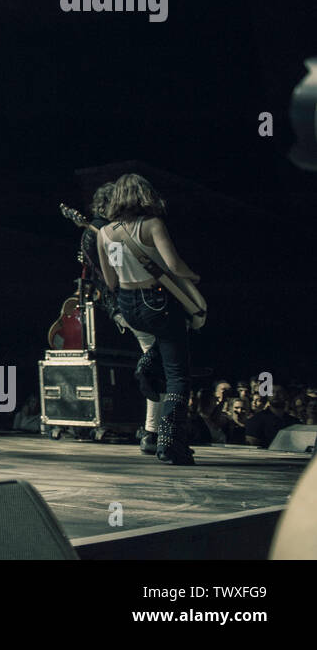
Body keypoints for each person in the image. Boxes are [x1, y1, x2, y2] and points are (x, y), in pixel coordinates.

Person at [97, 173, 201, 465]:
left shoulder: (104, 233)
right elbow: (174, 266)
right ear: (144, 195)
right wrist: (195, 277)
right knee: (178, 374)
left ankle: (148, 362)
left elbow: (110, 280)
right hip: (156, 301)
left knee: (165, 347)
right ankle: (170, 443)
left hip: (128, 306)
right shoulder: (152, 224)